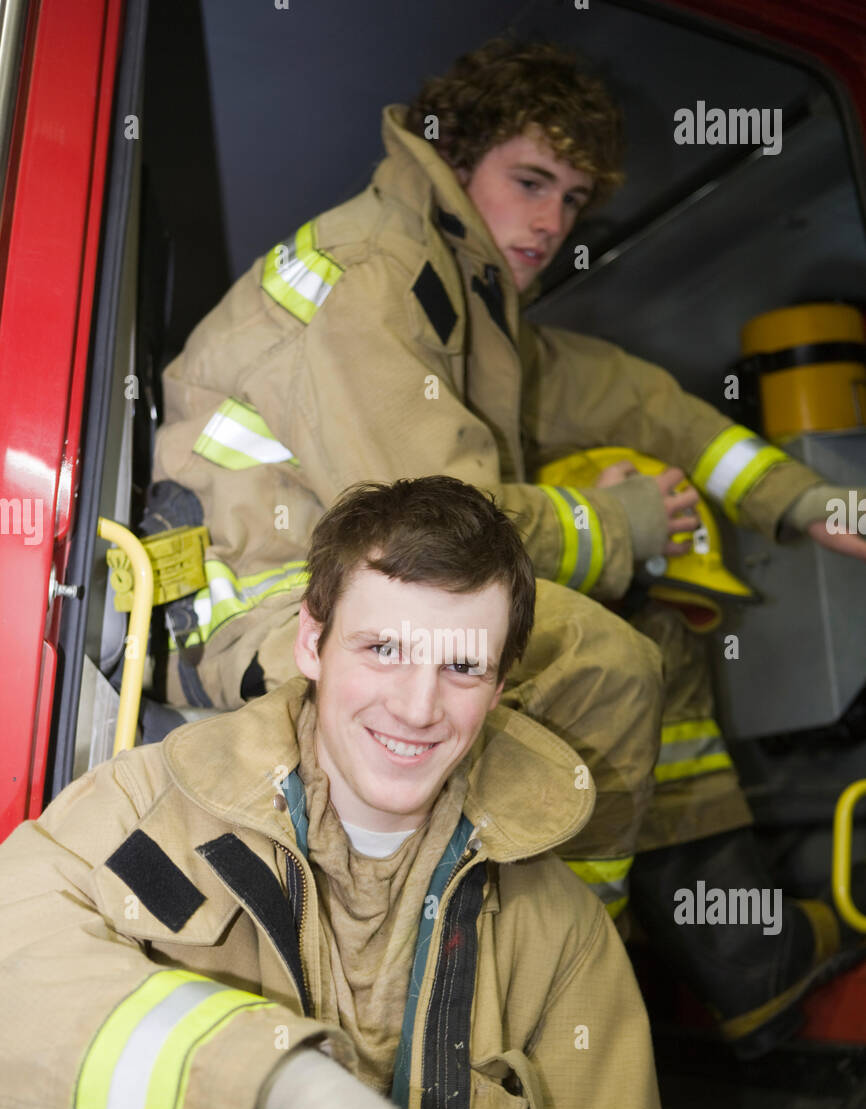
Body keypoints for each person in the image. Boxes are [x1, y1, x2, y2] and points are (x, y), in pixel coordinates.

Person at [145, 36, 865, 1052]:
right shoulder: (380, 271)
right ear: (457, 154)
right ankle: (555, 997)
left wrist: (812, 504)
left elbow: (638, 401)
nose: (549, 221)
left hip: (351, 597)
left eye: (571, 199)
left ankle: (718, 969)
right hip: (275, 617)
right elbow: (431, 527)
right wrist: (619, 524)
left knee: (661, 639)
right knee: (612, 660)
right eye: (530, 181)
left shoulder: (472, 305)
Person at [0, 477, 679, 1109]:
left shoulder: (559, 934)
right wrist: (298, 1098)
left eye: (462, 666)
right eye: (383, 649)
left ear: (498, 688)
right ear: (311, 643)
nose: (418, 705)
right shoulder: (148, 817)